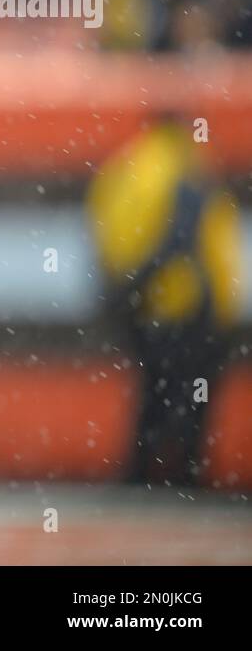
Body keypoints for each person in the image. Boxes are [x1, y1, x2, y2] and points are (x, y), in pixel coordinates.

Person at [86, 111, 242, 487]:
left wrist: (124, 291)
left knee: (152, 389)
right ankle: (184, 475)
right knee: (191, 395)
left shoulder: (122, 169)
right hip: (186, 304)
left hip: (143, 306)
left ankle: (140, 473)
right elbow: (181, 239)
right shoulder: (185, 170)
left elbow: (100, 232)